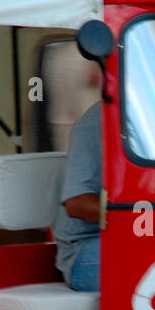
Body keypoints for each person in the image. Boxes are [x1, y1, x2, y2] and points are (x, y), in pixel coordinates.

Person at [54, 102, 102, 291]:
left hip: (146, 235)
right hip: (86, 249)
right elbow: (77, 204)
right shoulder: (99, 121)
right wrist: (149, 220)